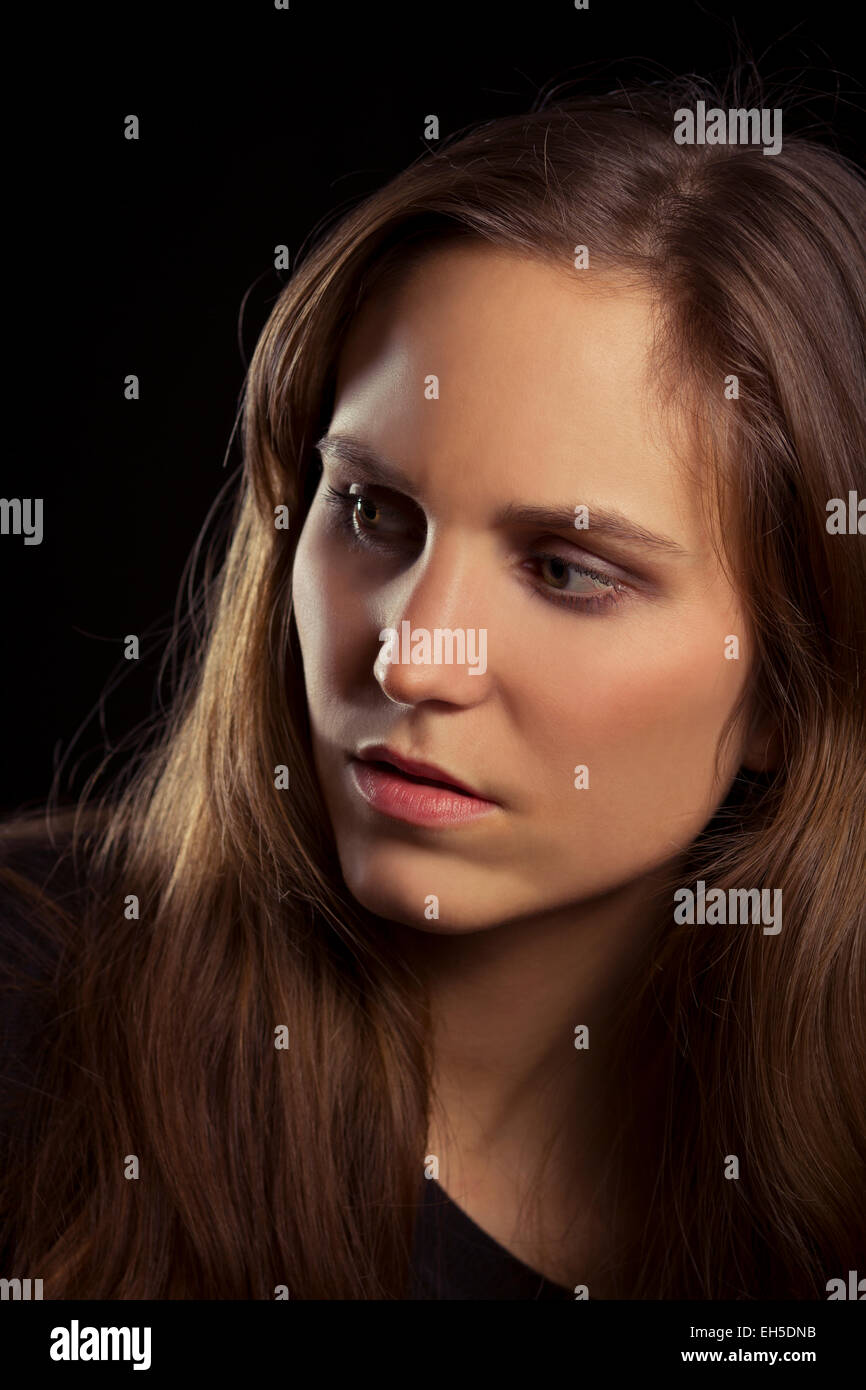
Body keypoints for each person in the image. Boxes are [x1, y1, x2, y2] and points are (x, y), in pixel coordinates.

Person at [2, 71, 865, 1299]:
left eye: (566, 571)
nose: (410, 657)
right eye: (369, 510)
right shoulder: (32, 1022)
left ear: (789, 679)